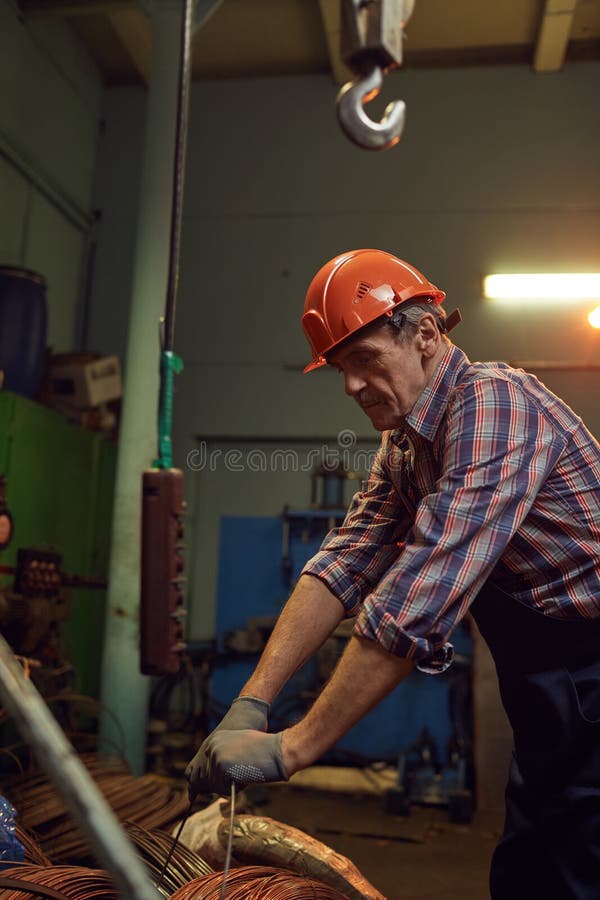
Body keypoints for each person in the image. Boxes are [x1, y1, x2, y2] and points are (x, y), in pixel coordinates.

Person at [186, 248, 600, 900]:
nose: (351, 385)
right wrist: (251, 704)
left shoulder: (494, 405)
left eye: (365, 359)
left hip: (592, 675)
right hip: (551, 703)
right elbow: (345, 562)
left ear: (427, 335)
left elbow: (416, 604)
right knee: (526, 873)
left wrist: (291, 749)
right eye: (340, 369)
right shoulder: (406, 446)